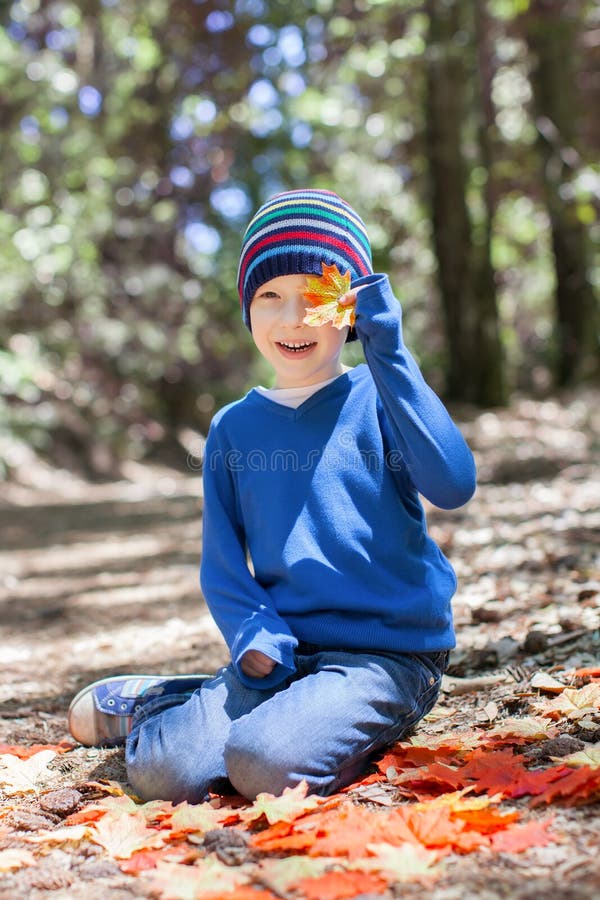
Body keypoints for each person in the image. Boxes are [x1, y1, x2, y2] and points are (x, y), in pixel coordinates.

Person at [68, 188, 476, 803]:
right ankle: (169, 702)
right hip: (282, 653)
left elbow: (453, 483)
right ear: (247, 307)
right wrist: (252, 633)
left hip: (386, 657)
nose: (292, 318)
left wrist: (388, 346)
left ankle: (239, 712)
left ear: (348, 307)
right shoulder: (234, 428)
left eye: (314, 296)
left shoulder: (381, 396)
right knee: (164, 775)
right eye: (269, 296)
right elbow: (222, 563)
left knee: (263, 763)